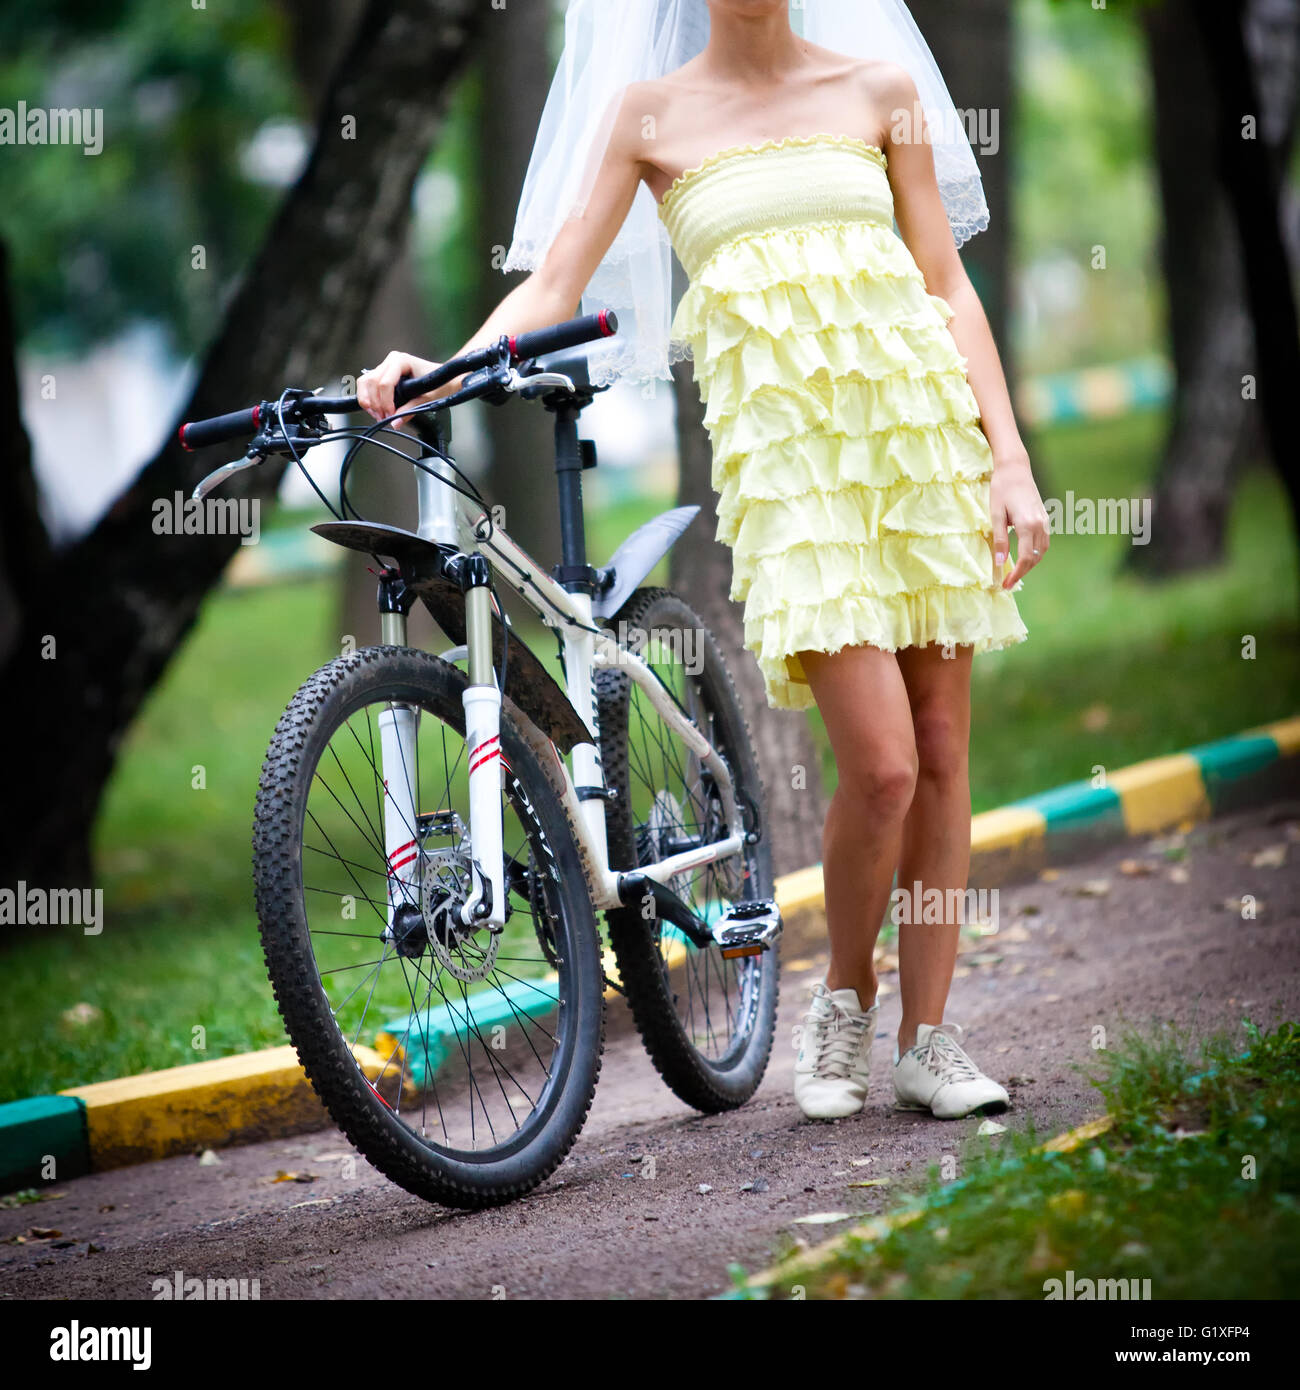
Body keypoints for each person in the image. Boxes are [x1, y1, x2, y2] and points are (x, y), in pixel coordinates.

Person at [358, 0, 1049, 1122]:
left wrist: (1006, 458)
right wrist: (437, 373)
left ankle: (931, 1039)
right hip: (793, 478)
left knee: (939, 745)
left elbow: (945, 283)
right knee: (879, 766)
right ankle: (843, 996)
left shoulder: (877, 91)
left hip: (921, 445)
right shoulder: (648, 115)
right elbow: (550, 289)